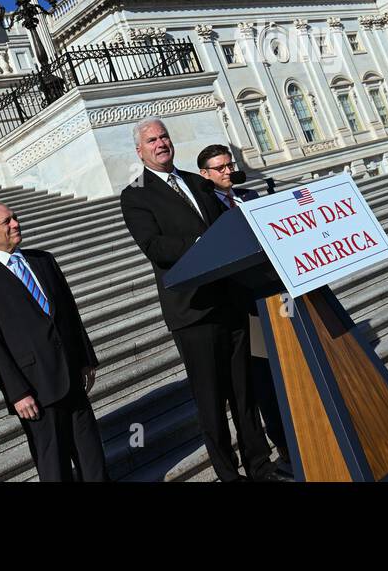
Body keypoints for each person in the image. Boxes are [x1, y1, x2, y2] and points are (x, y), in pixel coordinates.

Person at [119, 118, 280, 482]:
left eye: (164, 137)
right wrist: (202, 245)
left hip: (231, 301)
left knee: (244, 392)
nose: (161, 143)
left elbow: (226, 225)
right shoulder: (136, 194)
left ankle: (260, 466)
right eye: (152, 140)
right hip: (192, 311)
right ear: (139, 150)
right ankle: (229, 474)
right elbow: (154, 247)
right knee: (212, 401)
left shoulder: (197, 181)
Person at [0, 202, 107, 482]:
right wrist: (16, 392)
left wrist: (86, 358)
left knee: (93, 459)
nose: (15, 224)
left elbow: (70, 312)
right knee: (55, 466)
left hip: (71, 374)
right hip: (34, 389)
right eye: (6, 222)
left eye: (15, 218)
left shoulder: (43, 260)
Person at [195, 144, 291, 470]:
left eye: (229, 165)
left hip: (278, 298)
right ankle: (285, 445)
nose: (227, 172)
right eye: (219, 168)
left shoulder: (250, 196)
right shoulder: (210, 210)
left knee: (290, 365)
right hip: (249, 310)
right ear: (205, 175)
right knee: (265, 378)